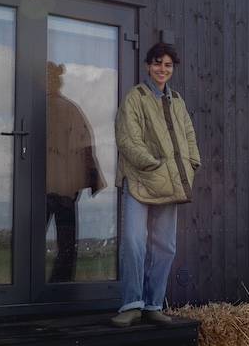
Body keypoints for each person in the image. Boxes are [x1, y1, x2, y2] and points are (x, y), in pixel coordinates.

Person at [111, 42, 201, 326]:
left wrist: (191, 164)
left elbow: (189, 137)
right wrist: (155, 166)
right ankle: (131, 304)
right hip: (139, 180)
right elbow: (128, 140)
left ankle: (152, 304)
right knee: (134, 241)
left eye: (168, 65)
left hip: (170, 184)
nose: (162, 69)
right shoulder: (134, 97)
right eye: (157, 63)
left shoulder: (178, 101)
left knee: (165, 246)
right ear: (148, 65)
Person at [45, 61, 106, 283]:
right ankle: (58, 289)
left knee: (32, 245)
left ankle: (38, 291)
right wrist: (91, 180)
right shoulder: (70, 108)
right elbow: (85, 147)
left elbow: (84, 147)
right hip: (65, 190)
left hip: (45, 189)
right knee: (66, 245)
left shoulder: (35, 107)